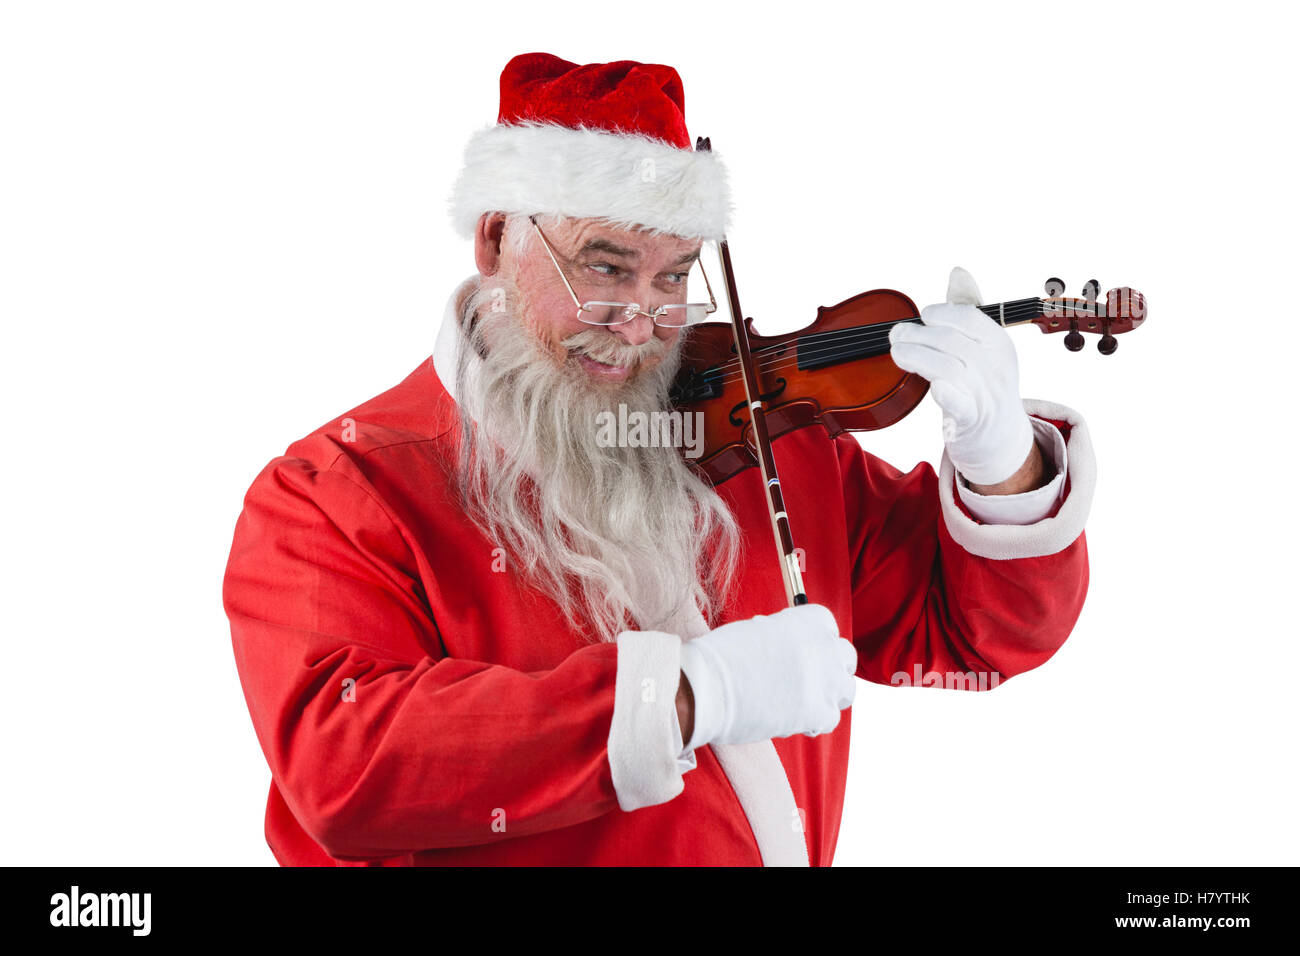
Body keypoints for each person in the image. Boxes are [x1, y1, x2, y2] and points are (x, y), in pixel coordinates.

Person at [222, 52, 1094, 866]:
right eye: (605, 269)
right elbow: (348, 765)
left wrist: (998, 459)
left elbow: (965, 634)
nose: (641, 327)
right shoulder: (335, 493)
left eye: (673, 278)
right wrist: (686, 696)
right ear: (494, 241)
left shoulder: (760, 435)